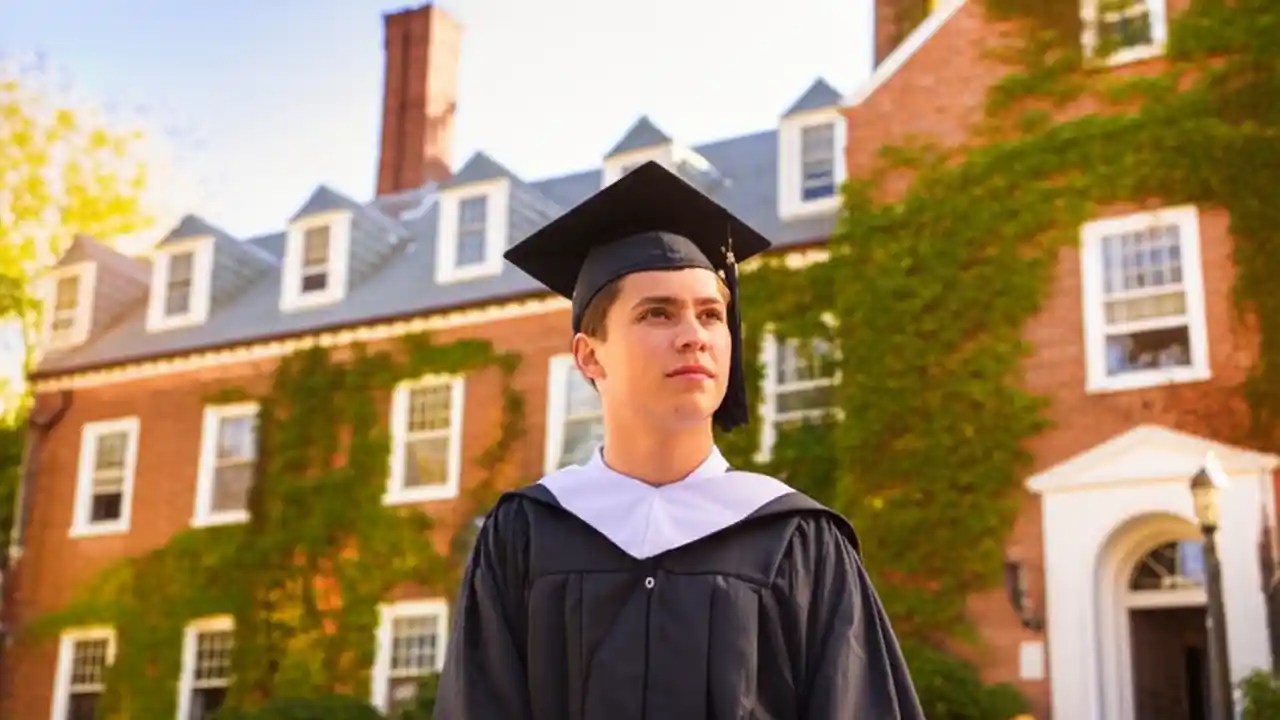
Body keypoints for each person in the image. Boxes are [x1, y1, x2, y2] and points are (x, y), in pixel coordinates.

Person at [433, 162, 923, 719]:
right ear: (589, 356)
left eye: (711, 315)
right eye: (658, 313)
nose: (694, 336)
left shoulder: (796, 540)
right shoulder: (526, 534)